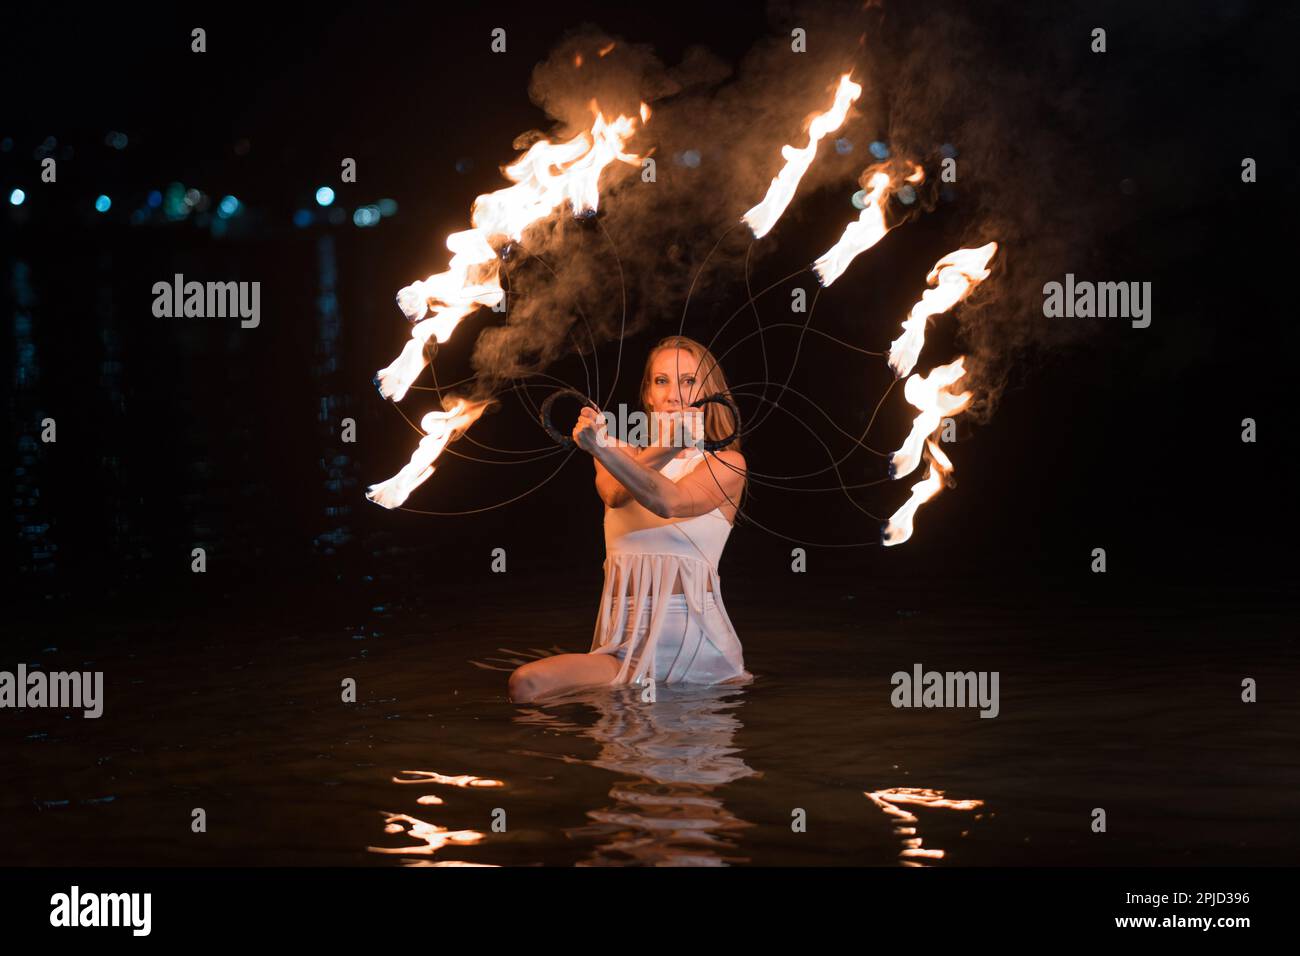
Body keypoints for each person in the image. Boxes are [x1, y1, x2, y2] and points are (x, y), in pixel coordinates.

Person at [508, 336, 752, 703]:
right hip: (626, 650)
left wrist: (655, 446)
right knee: (527, 684)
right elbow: (614, 493)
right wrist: (604, 448)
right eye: (661, 381)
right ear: (648, 395)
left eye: (688, 381)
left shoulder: (727, 465)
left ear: (709, 392)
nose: (673, 394)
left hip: (704, 653)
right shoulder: (616, 453)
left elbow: (668, 502)